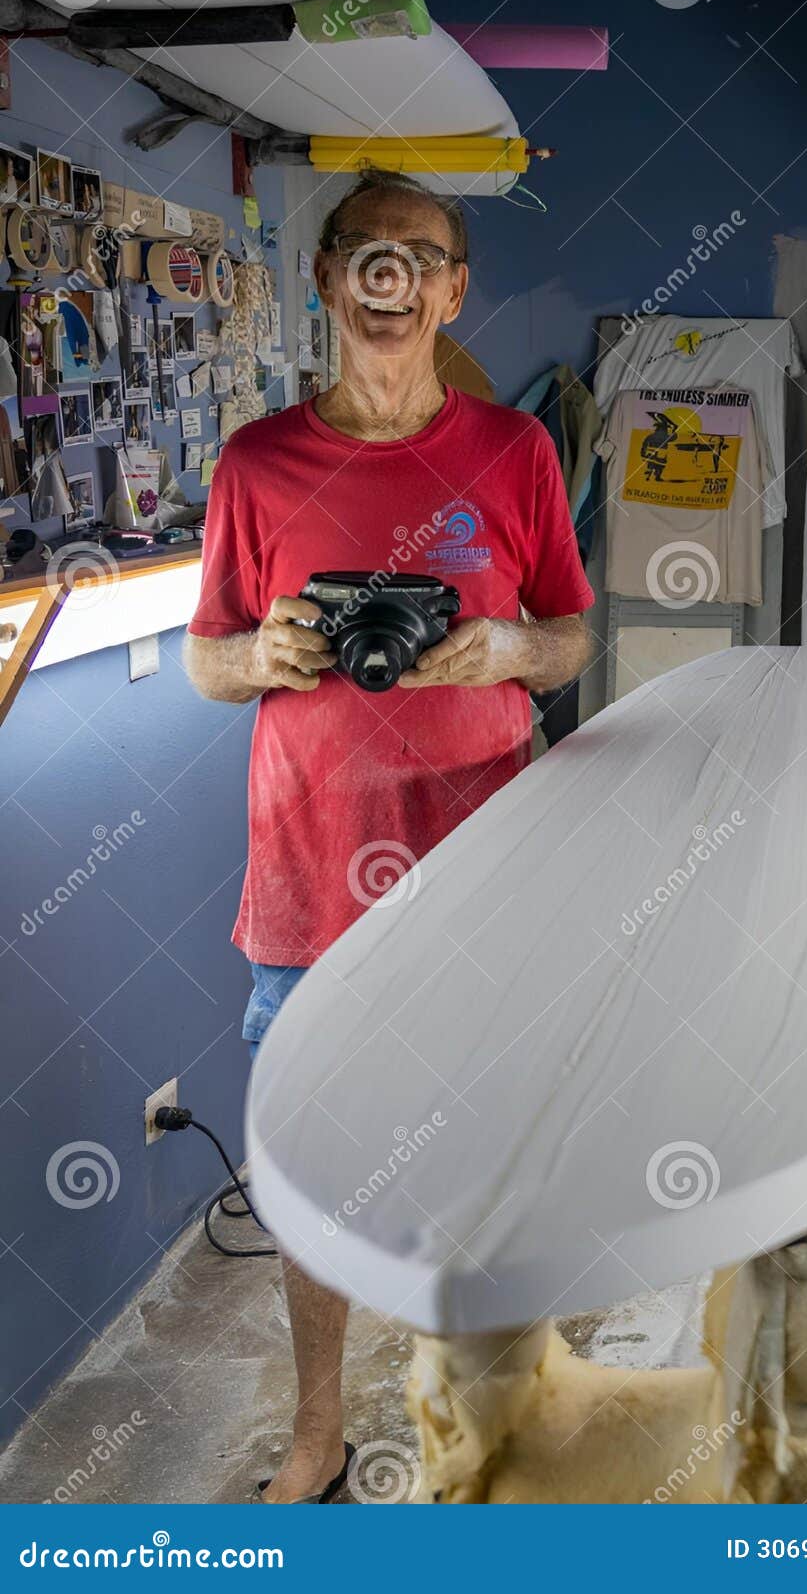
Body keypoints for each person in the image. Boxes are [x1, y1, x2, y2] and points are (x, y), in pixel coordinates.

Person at [183, 168, 594, 1503]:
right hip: (307, 880)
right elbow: (204, 660)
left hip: (480, 879)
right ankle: (317, 1427)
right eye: (363, 252)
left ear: (453, 287)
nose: (389, 279)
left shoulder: (514, 456)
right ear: (325, 279)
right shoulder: (256, 464)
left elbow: (576, 634)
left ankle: (471, 1415)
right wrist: (264, 652)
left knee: (478, 1162)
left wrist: (509, 643)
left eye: (417, 256)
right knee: (309, 1168)